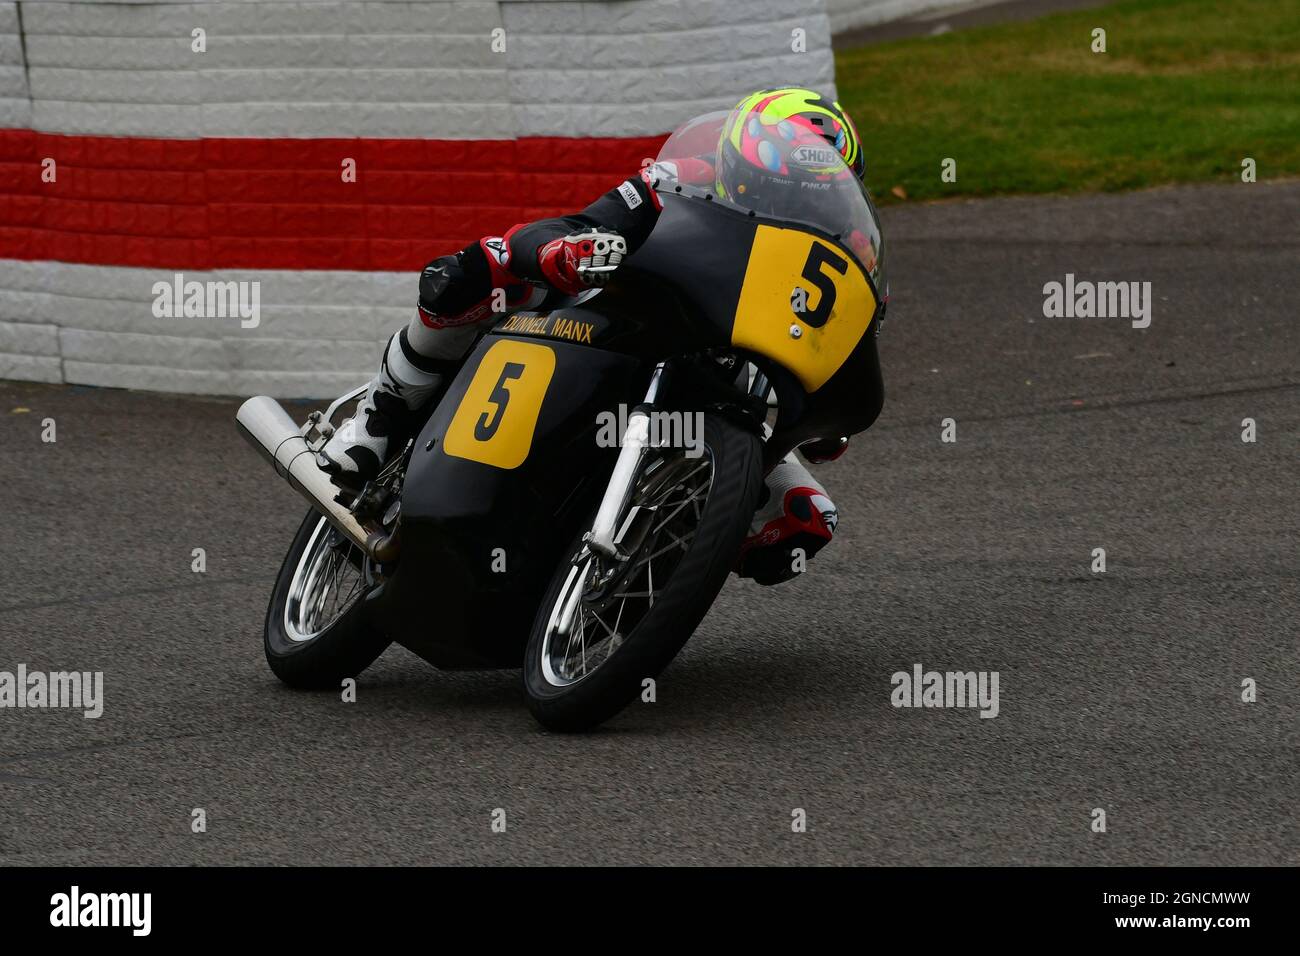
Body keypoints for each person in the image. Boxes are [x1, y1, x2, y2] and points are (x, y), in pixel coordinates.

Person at [320, 87, 871, 585]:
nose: (788, 204)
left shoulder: (850, 249)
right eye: (776, 185)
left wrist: (823, 409)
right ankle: (379, 418)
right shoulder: (679, 180)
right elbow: (579, 225)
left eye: (806, 195)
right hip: (618, 326)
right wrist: (565, 252)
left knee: (805, 521)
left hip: (727, 390)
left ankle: (641, 578)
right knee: (476, 271)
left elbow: (852, 341)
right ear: (737, 159)